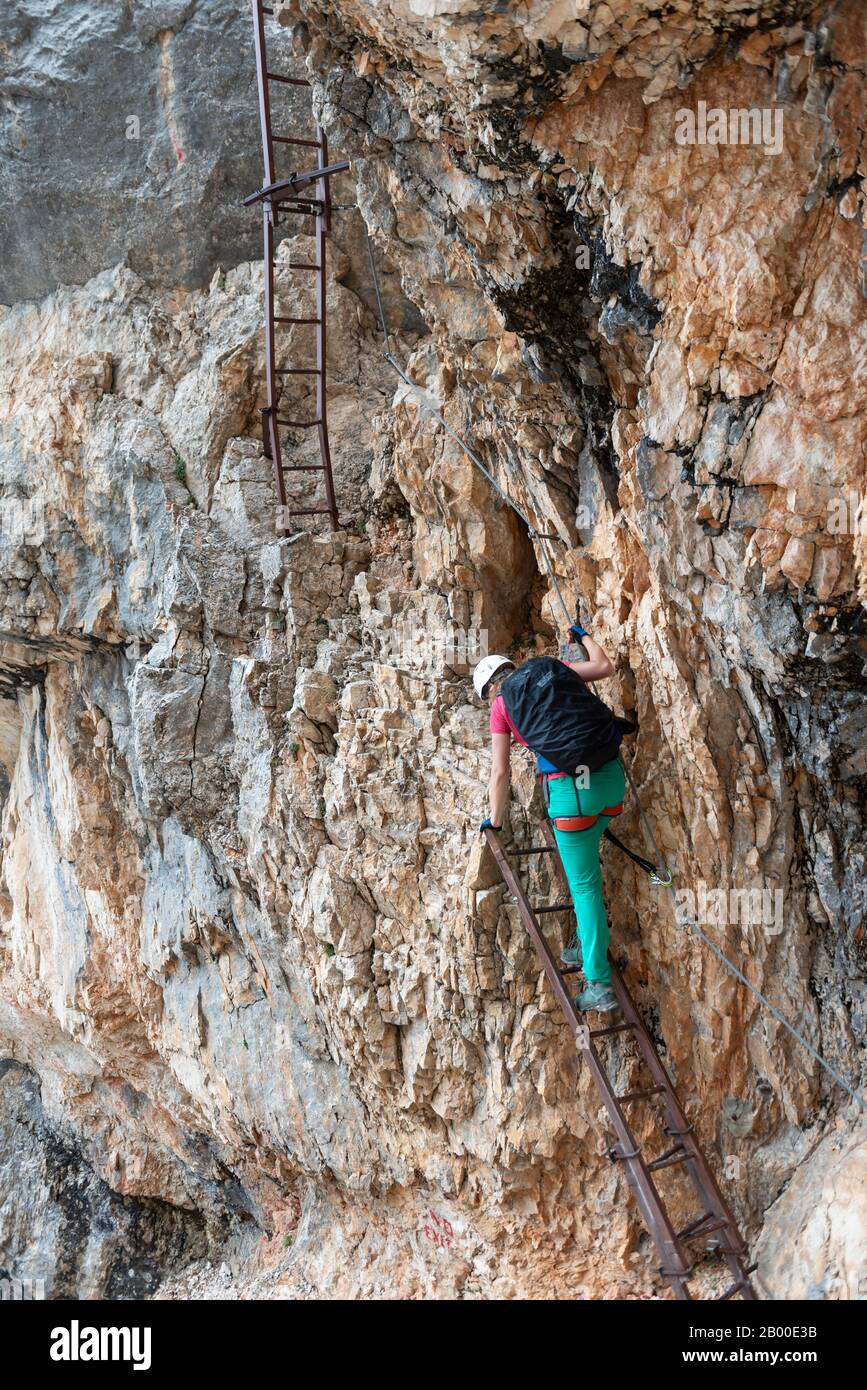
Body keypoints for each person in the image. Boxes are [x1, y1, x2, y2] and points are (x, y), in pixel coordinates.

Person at [474, 624, 627, 1013]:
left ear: (490, 688)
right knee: (588, 865)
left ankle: (598, 984)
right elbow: (604, 666)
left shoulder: (501, 706)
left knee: (586, 889)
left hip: (572, 794)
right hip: (611, 786)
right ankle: (581, 944)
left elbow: (500, 773)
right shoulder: (550, 667)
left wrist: (495, 820)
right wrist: (583, 635)